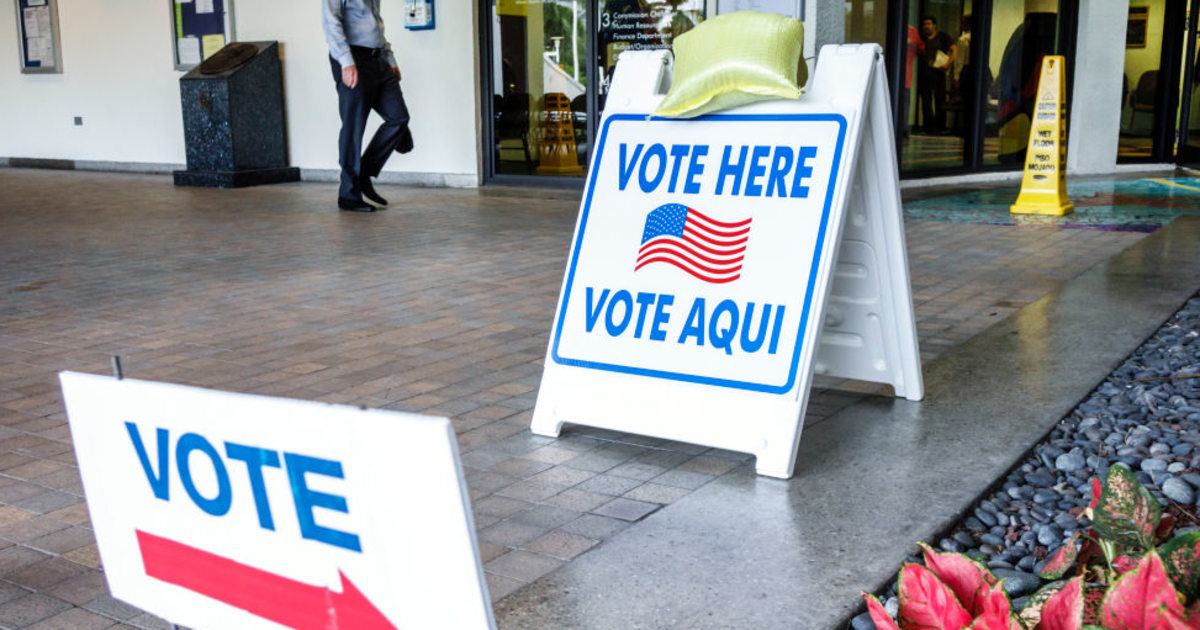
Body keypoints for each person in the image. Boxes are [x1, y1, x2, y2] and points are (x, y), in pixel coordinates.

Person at [323, 0, 411, 212]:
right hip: (353, 58)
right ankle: (348, 195)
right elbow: (331, 22)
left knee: (398, 117)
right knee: (354, 126)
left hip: (377, 59)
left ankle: (364, 173)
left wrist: (390, 60)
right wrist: (346, 61)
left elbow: (375, 25)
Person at [917, 15, 955, 135]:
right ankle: (928, 128)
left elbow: (954, 49)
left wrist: (948, 64)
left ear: (934, 26)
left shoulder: (942, 37)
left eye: (929, 24)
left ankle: (940, 127)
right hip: (925, 72)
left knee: (940, 99)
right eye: (925, 24)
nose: (926, 26)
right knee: (926, 101)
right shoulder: (922, 38)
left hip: (939, 72)